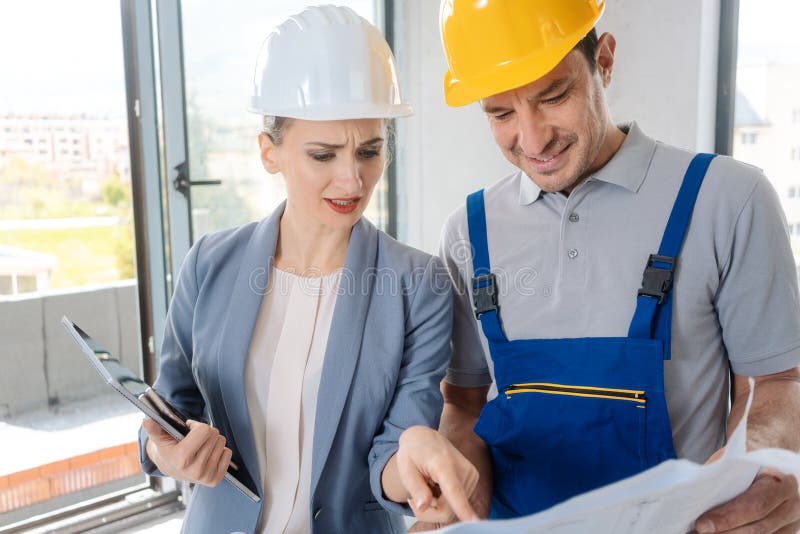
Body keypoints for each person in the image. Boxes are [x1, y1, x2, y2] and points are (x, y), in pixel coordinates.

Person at [423, 0, 800, 531]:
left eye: (554, 96)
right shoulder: (467, 230)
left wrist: (759, 461)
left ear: (603, 60)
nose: (533, 140)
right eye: (501, 114)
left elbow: (777, 382)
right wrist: (456, 505)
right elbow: (463, 404)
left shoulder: (729, 199)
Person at [137, 6, 479, 533]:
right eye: (323, 155)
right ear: (269, 153)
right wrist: (168, 454)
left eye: (370, 151)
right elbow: (167, 411)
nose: (352, 180)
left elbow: (393, 453)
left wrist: (414, 454)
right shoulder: (209, 263)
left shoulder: (421, 285)